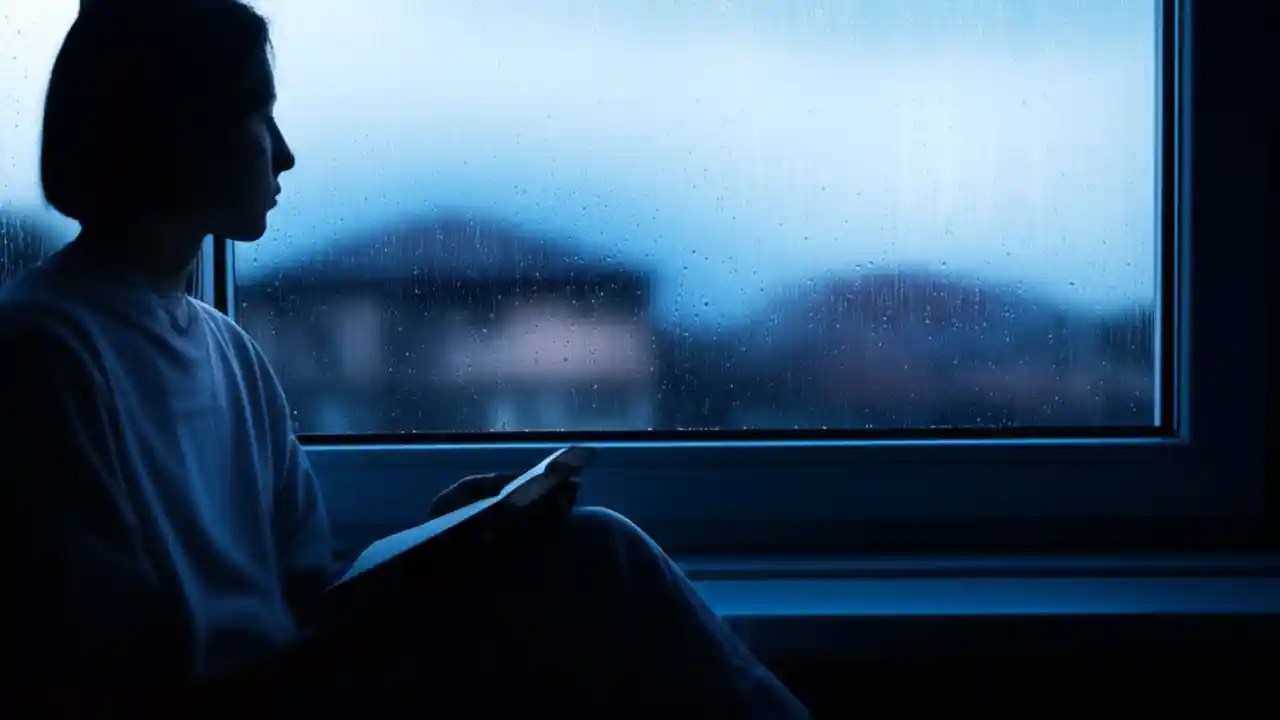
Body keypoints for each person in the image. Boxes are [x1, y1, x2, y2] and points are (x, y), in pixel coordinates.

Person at [0, 1, 809, 717]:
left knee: (593, 559)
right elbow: (98, 658)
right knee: (601, 564)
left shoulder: (229, 353)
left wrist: (433, 546)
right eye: (258, 114)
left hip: (289, 688)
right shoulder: (45, 350)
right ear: (175, 127)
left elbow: (302, 599)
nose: (283, 155)